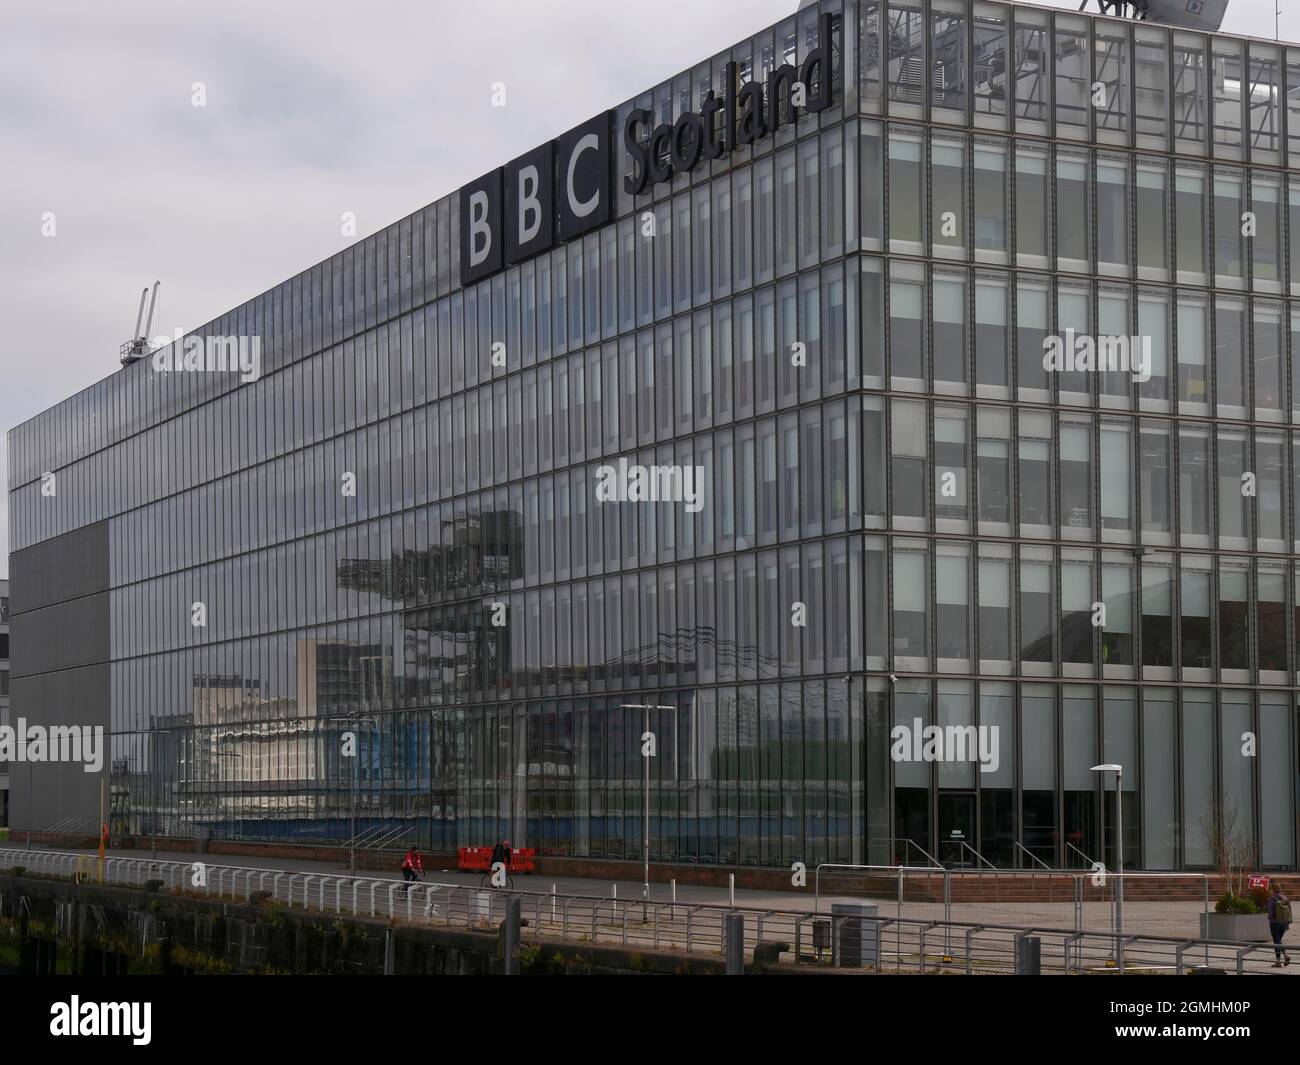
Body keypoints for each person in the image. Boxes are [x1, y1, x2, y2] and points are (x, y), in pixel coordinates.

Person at [1267, 879, 1292, 967]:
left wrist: (1269, 919)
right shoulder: (1285, 898)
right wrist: (1288, 923)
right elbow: (1289, 911)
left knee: (1276, 942)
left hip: (1274, 923)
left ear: (1272, 889)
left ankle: (1279, 960)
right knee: (1278, 941)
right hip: (1284, 923)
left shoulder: (1271, 899)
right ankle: (1285, 956)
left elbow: (1270, 913)